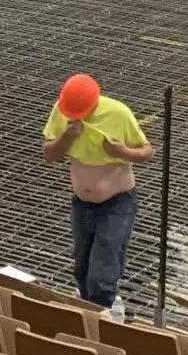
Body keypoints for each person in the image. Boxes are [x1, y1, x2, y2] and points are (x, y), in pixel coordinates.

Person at [40, 72, 152, 315]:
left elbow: (146, 151)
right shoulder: (62, 111)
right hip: (83, 204)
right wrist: (67, 136)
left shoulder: (118, 114)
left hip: (117, 203)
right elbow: (49, 154)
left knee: (102, 276)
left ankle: (102, 318)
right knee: (82, 269)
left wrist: (123, 152)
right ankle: (89, 315)